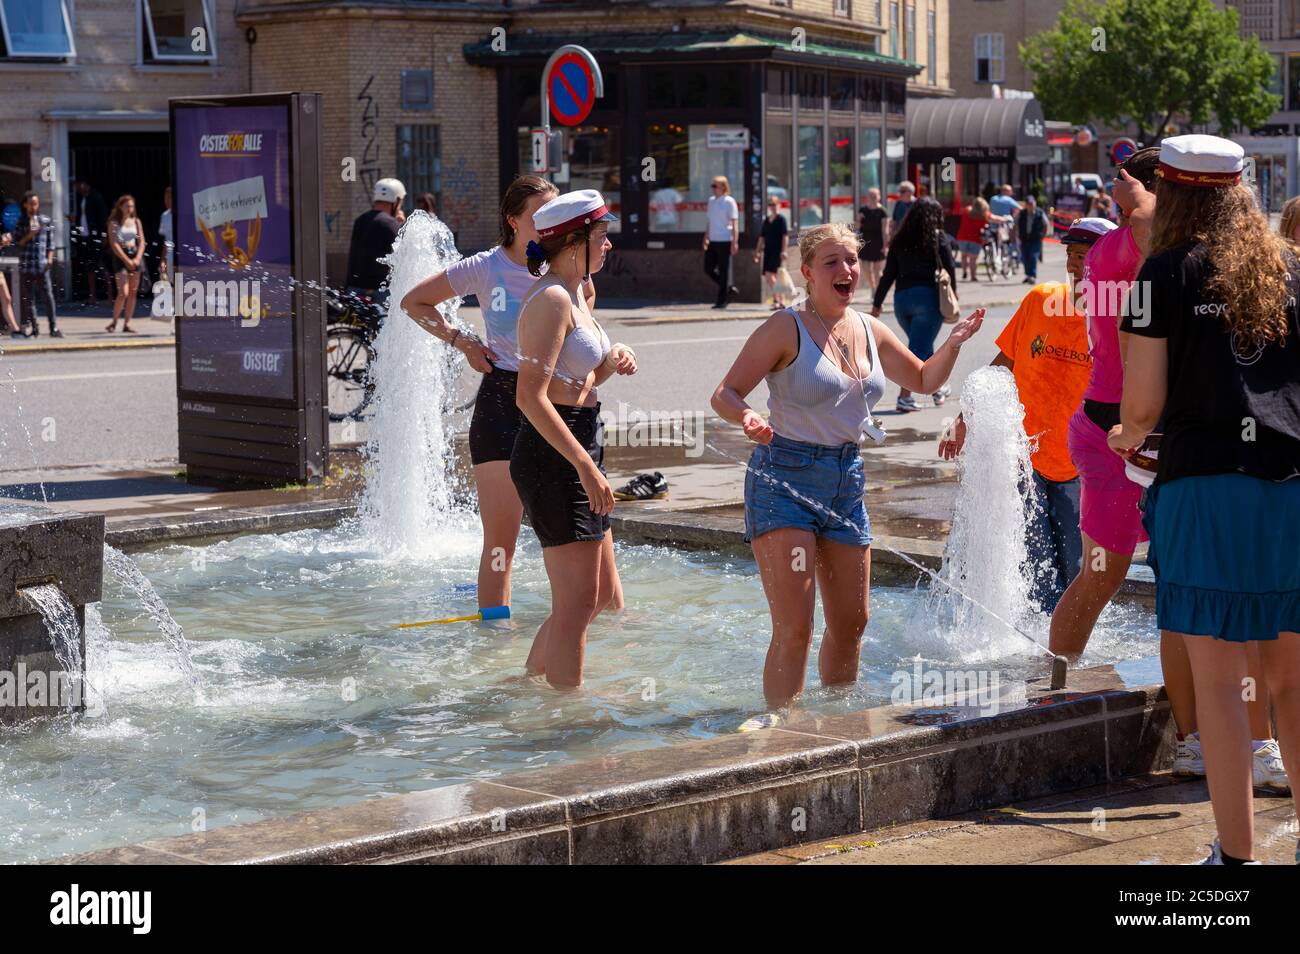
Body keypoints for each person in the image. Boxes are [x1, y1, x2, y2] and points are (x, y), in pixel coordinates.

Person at [1110, 134, 1300, 864]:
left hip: (1205, 487)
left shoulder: (1162, 274)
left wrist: (1125, 435)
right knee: (1289, 680)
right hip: (1289, 486)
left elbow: (1144, 407)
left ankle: (1238, 859)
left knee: (1221, 686)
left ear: (1178, 194)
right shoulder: (1290, 269)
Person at [712, 221, 984, 710]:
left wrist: (955, 342)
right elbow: (724, 393)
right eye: (832, 262)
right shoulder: (784, 327)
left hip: (846, 480)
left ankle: (836, 721)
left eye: (852, 261)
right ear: (808, 273)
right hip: (784, 479)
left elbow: (923, 379)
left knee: (852, 622)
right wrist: (747, 415)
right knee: (796, 626)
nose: (846, 270)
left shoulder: (868, 327)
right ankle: (784, 731)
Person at [401, 175, 603, 616]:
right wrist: (462, 341)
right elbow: (414, 302)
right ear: (513, 221)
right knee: (501, 541)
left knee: (592, 533)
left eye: (554, 213)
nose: (548, 222)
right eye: (537, 215)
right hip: (502, 403)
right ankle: (494, 640)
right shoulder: (485, 266)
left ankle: (595, 629)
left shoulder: (572, 272)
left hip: (559, 404)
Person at [940, 217, 1112, 612]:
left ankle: (1071, 658)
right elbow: (1002, 366)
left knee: (1076, 571)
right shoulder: (1040, 301)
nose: (1074, 265)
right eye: (1070, 255)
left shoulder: (1117, 319)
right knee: (1031, 570)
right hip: (1024, 459)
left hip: (1081, 466)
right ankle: (1037, 657)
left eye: (1083, 257)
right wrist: (964, 420)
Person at [511, 189, 637, 688]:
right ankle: (566, 722)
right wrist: (585, 466)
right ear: (574, 241)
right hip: (554, 453)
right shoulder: (553, 299)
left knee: (598, 596)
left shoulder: (580, 293)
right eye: (602, 237)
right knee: (578, 602)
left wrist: (610, 361)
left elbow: (578, 382)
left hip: (580, 439)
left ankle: (527, 687)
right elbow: (530, 397)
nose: (608, 247)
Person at [871, 195, 958, 412]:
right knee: (917, 349)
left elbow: (888, 274)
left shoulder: (900, 238)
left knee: (922, 345)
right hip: (927, 300)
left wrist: (877, 303)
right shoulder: (937, 237)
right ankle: (904, 397)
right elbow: (950, 267)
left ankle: (937, 387)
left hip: (902, 302)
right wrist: (953, 294)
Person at [345, 177, 406, 305]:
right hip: (380, 289)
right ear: (396, 200)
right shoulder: (390, 224)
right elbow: (403, 254)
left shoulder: (360, 220)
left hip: (355, 286)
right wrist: (400, 226)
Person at [13, 191, 61, 338]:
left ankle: (53, 328)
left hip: (42, 265)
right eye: (31, 204)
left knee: (48, 297)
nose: (33, 206)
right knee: (29, 299)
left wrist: (50, 258)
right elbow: (18, 243)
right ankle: (35, 328)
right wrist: (30, 234)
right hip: (27, 265)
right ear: (25, 205)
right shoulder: (21, 222)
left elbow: (50, 243)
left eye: (36, 203)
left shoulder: (45, 221)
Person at [104, 194, 144, 334]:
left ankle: (127, 323)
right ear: (120, 207)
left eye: (132, 206)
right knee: (123, 292)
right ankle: (114, 321)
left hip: (135, 254)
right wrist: (127, 260)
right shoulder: (114, 223)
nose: (129, 209)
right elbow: (114, 244)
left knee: (133, 292)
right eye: (127, 206)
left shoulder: (136, 221)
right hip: (121, 256)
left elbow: (142, 241)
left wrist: (138, 258)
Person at [703, 175, 739, 309]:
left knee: (724, 271)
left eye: (715, 186)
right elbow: (709, 221)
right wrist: (705, 237)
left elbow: (735, 222)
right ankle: (728, 288)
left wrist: (735, 241)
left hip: (725, 240)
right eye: (712, 186)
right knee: (708, 268)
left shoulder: (729, 202)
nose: (712, 189)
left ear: (723, 187)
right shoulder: (711, 201)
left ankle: (721, 301)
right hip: (713, 240)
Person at [954, 197, 1010, 282]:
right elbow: (996, 219)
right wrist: (1006, 219)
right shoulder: (984, 214)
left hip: (962, 237)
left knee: (963, 256)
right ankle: (973, 276)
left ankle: (964, 271)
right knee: (973, 259)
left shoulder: (966, 211)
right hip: (975, 238)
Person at [71, 178, 108, 305]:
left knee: (100, 265)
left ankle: (110, 295)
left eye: (79, 185)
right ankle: (92, 296)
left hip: (95, 236)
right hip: (85, 236)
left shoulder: (96, 197)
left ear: (85, 184)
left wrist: (103, 235)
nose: (78, 189)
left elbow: (103, 217)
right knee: (89, 266)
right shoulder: (82, 198)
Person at [754, 196, 789, 307]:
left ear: (779, 205)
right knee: (771, 277)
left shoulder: (781, 219)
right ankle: (779, 300)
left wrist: (784, 251)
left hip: (777, 251)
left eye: (774, 204)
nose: (772, 207)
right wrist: (757, 252)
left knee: (770, 275)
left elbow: (785, 236)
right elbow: (761, 237)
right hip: (768, 251)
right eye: (770, 204)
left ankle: (778, 300)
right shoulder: (766, 221)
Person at [857, 187, 887, 296]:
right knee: (865, 269)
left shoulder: (882, 211)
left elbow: (885, 230)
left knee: (877, 270)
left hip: (878, 241)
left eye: (875, 196)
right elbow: (857, 227)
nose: (873, 198)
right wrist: (859, 220)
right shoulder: (863, 210)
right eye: (871, 196)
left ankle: (877, 292)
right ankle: (873, 286)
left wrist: (885, 245)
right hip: (866, 241)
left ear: (879, 197)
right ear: (867, 198)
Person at [1017, 194, 1049, 283]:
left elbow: (1046, 224)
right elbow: (1015, 224)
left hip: (1035, 238)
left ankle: (1032, 276)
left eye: (1033, 204)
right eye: (1029, 204)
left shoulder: (1040, 213)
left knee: (1033, 256)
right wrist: (1016, 235)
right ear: (1026, 205)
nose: (1031, 206)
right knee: (1025, 257)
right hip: (1024, 238)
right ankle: (1028, 275)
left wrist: (1043, 235)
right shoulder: (1022, 213)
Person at [887, 181, 915, 247]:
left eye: (902, 191)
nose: (900, 194)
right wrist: (891, 237)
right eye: (900, 191)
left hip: (913, 237)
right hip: (900, 237)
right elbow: (894, 221)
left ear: (910, 192)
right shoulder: (898, 204)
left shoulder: (917, 204)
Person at [157, 185, 174, 283]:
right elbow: (166, 240)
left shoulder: (183, 215)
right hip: (169, 259)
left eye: (169, 198)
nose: (166, 201)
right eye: (165, 198)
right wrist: (162, 260)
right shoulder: (164, 216)